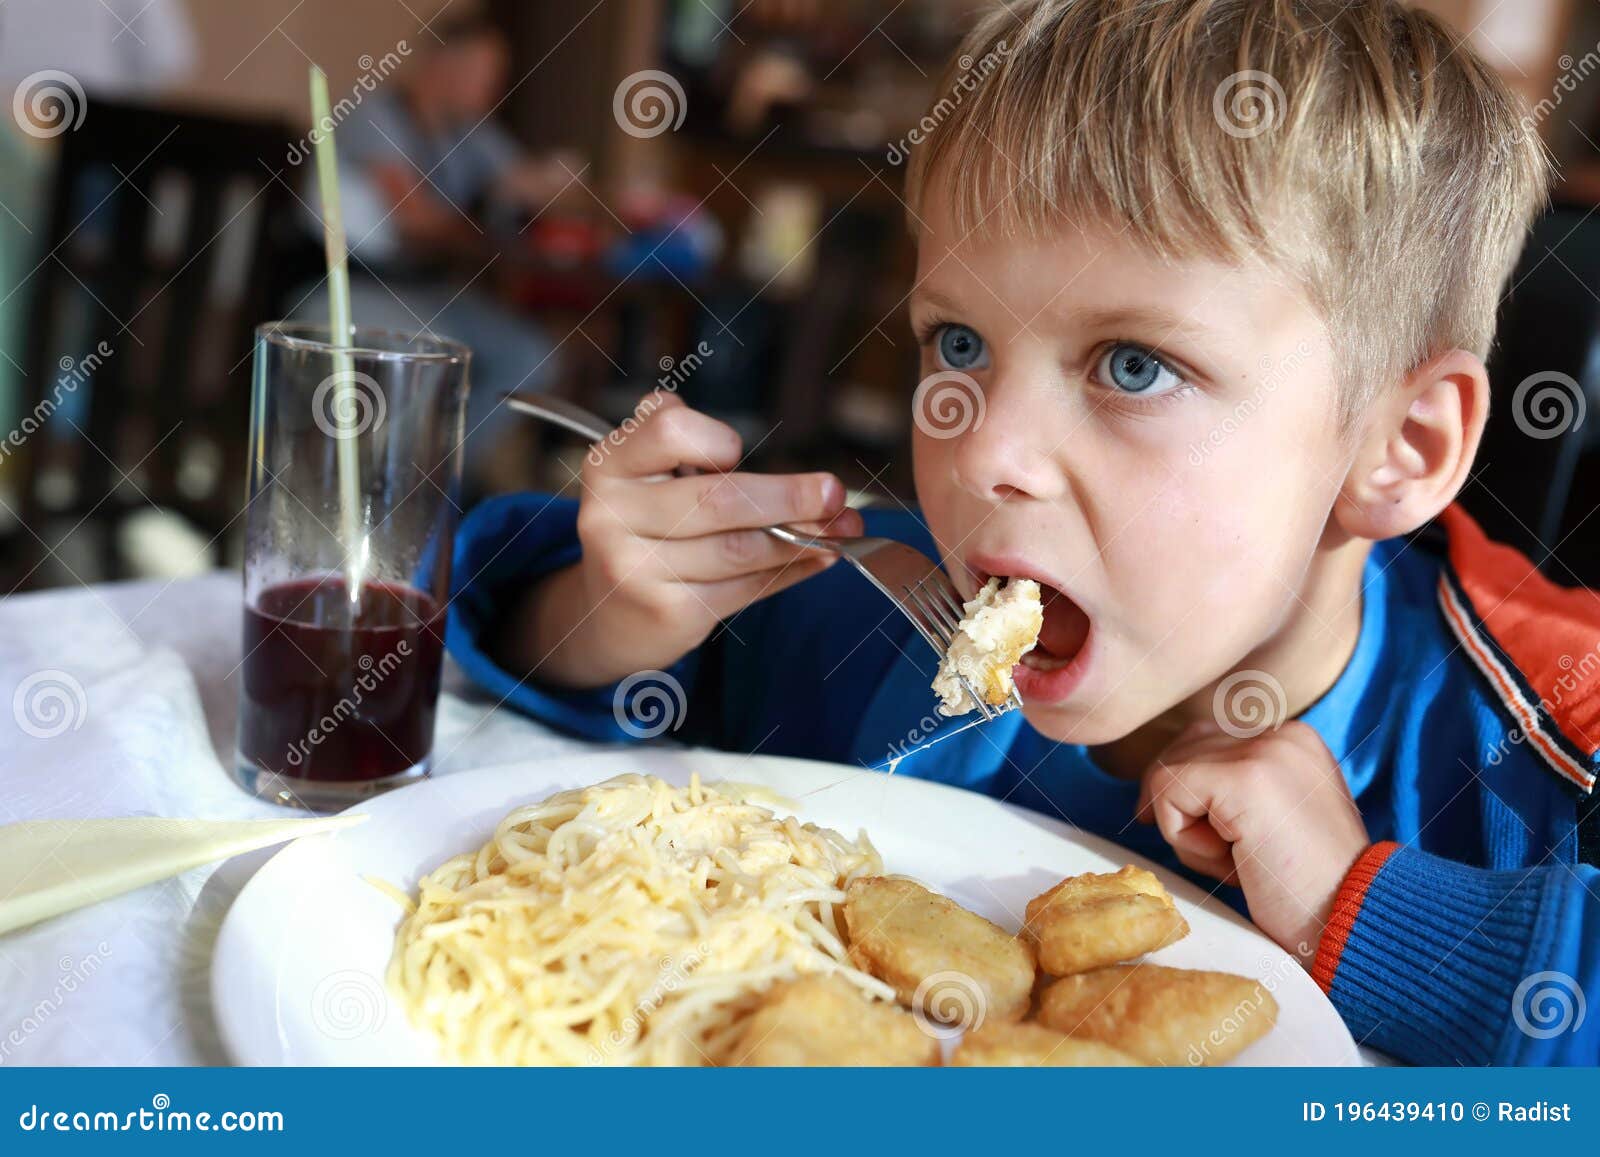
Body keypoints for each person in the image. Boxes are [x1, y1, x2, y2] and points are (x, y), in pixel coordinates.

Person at [443, 0, 1598, 1066]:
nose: (984, 448)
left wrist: (1367, 906)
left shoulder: (1547, 739)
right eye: (958, 345)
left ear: (1397, 445)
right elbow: (593, 687)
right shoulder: (879, 623)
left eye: (1134, 365)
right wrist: (602, 622)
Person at [294, 13, 572, 477]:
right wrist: (486, 226)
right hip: (346, 286)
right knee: (424, 361)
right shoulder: (374, 116)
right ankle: (383, 492)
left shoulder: (466, 132)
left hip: (424, 291)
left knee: (529, 356)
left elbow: (530, 183)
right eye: (483, 75)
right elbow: (414, 219)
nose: (492, 90)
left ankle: (429, 481)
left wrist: (550, 185)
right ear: (442, 65)